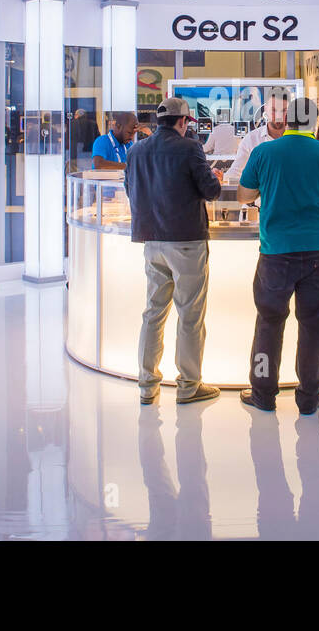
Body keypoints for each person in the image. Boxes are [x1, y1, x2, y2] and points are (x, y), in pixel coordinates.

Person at [236, 97, 319, 416]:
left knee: (268, 323)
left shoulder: (264, 152)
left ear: (287, 121)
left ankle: (263, 394)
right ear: (314, 123)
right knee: (313, 324)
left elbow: (244, 195)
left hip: (275, 252)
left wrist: (265, 188)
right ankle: (309, 397)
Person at [123, 96, 224, 405]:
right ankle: (189, 385)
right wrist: (215, 177)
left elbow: (130, 189)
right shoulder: (189, 148)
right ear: (182, 122)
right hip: (186, 241)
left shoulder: (137, 150)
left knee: (153, 312)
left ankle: (146, 385)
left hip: (151, 240)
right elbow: (211, 190)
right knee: (190, 315)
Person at [226, 89, 290, 180]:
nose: (278, 116)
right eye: (273, 110)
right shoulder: (251, 140)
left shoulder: (298, 139)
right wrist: (221, 177)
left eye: (283, 110)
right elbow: (236, 172)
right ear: (265, 109)